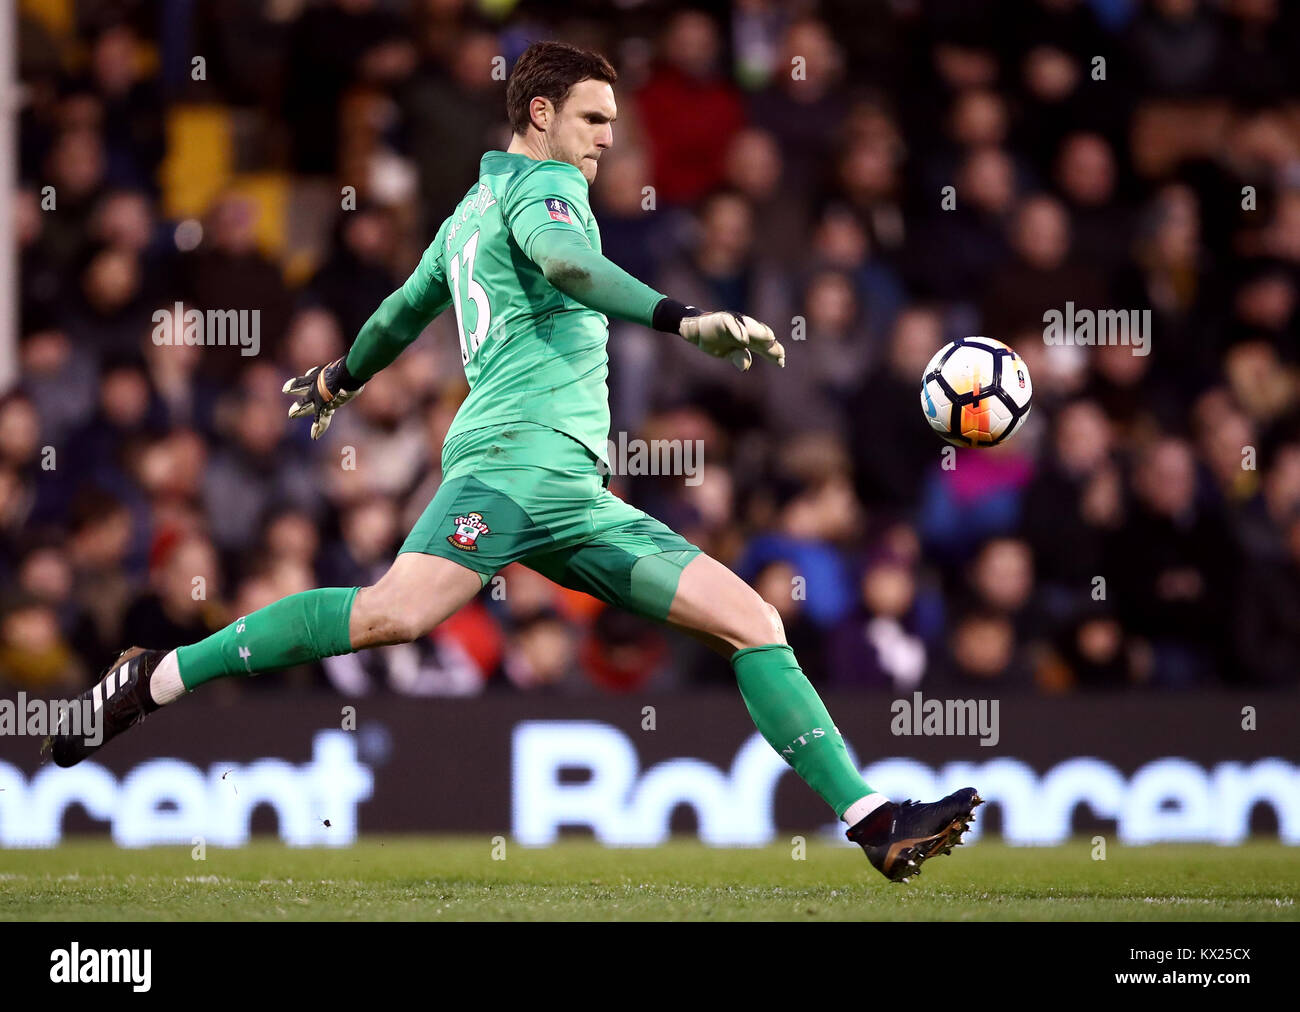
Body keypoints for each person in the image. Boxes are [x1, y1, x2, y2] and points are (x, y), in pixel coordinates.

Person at [49, 41, 979, 882]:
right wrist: (683, 316)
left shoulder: (465, 214)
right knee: (390, 615)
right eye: (594, 119)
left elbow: (398, 315)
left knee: (751, 623)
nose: (608, 140)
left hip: (566, 489)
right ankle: (159, 675)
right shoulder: (546, 192)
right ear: (540, 114)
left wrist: (339, 376)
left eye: (612, 123)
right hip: (510, 467)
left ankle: (872, 819)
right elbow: (569, 268)